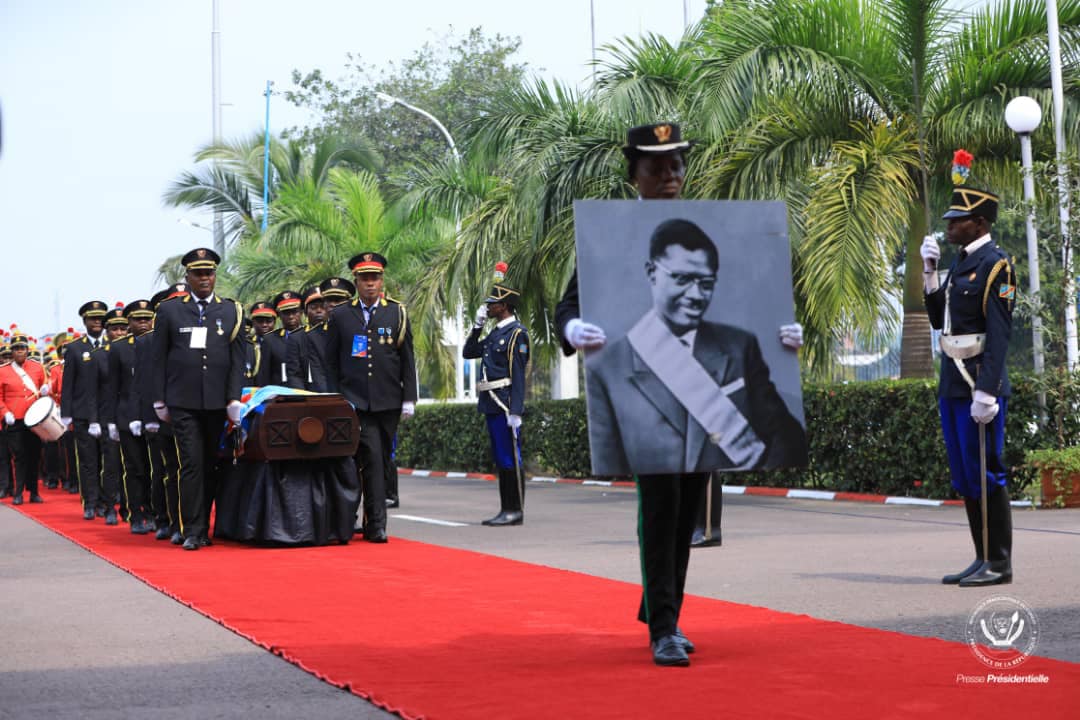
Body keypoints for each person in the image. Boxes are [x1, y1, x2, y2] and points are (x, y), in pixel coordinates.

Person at [555, 123, 802, 667]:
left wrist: (784, 340)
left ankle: (665, 610)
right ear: (634, 175)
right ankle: (663, 626)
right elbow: (568, 306)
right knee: (660, 511)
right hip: (646, 405)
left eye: (675, 167)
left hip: (703, 417)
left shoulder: (713, 241)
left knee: (687, 514)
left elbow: (778, 409)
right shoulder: (610, 236)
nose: (669, 177)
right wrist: (573, 332)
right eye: (656, 168)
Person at [587, 218, 807, 476]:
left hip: (712, 486)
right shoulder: (606, 369)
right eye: (682, 279)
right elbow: (608, 462)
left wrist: (786, 343)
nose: (695, 295)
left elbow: (784, 435)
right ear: (651, 272)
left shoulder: (739, 346)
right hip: (658, 496)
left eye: (705, 283)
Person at [921, 178, 1014, 587]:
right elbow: (940, 317)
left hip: (978, 384)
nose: (949, 226)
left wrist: (987, 390)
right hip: (953, 382)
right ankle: (981, 558)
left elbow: (1000, 331)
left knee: (986, 473)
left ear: (979, 223)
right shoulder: (960, 262)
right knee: (964, 475)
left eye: (956, 221)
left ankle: (1000, 563)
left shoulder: (997, 265)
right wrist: (929, 273)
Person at [151, 249, 246, 551]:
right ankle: (192, 529)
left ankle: (206, 525)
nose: (205, 279)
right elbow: (158, 359)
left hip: (218, 402)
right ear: (188, 277)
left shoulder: (232, 311)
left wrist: (234, 398)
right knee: (191, 464)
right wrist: (159, 400)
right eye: (198, 274)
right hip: (183, 402)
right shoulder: (170, 311)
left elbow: (237, 359)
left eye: (209, 273)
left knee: (211, 466)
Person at [324, 252, 417, 543]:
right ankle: (370, 523)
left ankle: (369, 521)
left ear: (381, 280)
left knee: (379, 461)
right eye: (364, 279)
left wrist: (409, 398)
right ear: (356, 280)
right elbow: (330, 362)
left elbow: (407, 358)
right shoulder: (341, 315)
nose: (370, 284)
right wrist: (334, 398)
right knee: (370, 459)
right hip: (354, 402)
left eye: (374, 278)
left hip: (387, 400)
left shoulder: (396, 312)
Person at [463, 262, 530, 526]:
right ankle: (508, 508)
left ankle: (514, 510)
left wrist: (516, 410)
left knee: (509, 456)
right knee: (501, 456)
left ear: (504, 306)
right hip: (490, 402)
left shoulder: (516, 334)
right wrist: (477, 327)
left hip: (504, 403)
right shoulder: (495, 333)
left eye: (492, 304)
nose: (488, 308)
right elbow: (468, 353)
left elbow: (519, 374)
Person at [137, 284, 189, 542]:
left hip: (189, 412)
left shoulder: (194, 331)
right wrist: (150, 417)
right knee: (164, 471)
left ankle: (187, 522)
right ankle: (166, 520)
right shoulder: (148, 340)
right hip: (161, 415)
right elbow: (146, 383)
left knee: (188, 471)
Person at [105, 300, 155, 533]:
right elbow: (112, 387)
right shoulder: (119, 348)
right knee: (134, 468)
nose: (143, 323)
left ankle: (155, 511)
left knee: (155, 469)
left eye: (147, 318)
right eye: (138, 319)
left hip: (154, 415)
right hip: (126, 415)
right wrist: (112, 421)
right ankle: (135, 514)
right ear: (129, 323)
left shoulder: (158, 343)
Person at [60, 300, 108, 520]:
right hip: (82, 414)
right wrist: (66, 413)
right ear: (84, 321)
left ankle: (107, 502)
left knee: (108, 462)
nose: (97, 322)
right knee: (88, 462)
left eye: (100, 318)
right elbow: (67, 383)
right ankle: (90, 502)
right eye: (92, 318)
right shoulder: (75, 348)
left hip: (108, 412)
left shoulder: (112, 345)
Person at [0, 330, 48, 504]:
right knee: (19, 456)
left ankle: (34, 492)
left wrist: (45, 390)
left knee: (34, 455)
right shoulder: (3, 371)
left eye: (22, 348)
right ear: (11, 351)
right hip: (15, 420)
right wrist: (5, 413)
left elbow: (45, 385)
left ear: (27, 350)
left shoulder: (36, 367)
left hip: (34, 419)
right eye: (16, 348)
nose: (20, 351)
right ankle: (18, 492)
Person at [93, 306, 129, 525]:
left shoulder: (134, 351)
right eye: (115, 329)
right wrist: (95, 419)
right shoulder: (98, 356)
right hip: (107, 416)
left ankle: (129, 507)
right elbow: (91, 391)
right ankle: (108, 507)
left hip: (128, 414)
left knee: (132, 465)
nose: (119, 333)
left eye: (123, 329)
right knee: (112, 465)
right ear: (107, 331)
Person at [285, 285, 328, 391]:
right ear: (305, 313)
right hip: (310, 395)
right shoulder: (296, 338)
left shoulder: (336, 332)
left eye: (322, 307)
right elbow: (294, 374)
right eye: (313, 308)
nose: (319, 311)